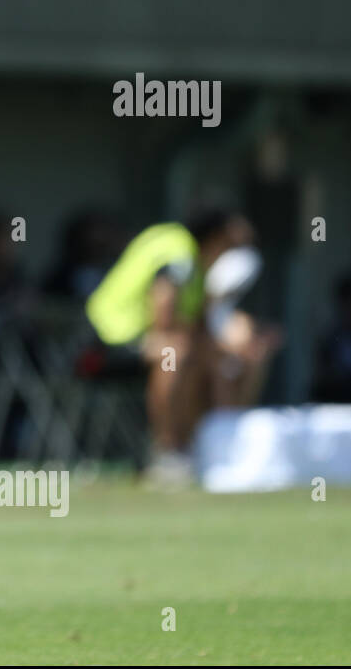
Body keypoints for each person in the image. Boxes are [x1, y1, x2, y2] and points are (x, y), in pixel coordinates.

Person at [85, 208, 280, 485]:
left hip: (147, 341)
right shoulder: (178, 250)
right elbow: (164, 314)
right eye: (233, 244)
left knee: (225, 353)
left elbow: (199, 325)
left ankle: (216, 447)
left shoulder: (197, 264)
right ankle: (168, 451)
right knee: (175, 353)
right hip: (105, 344)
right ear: (216, 237)